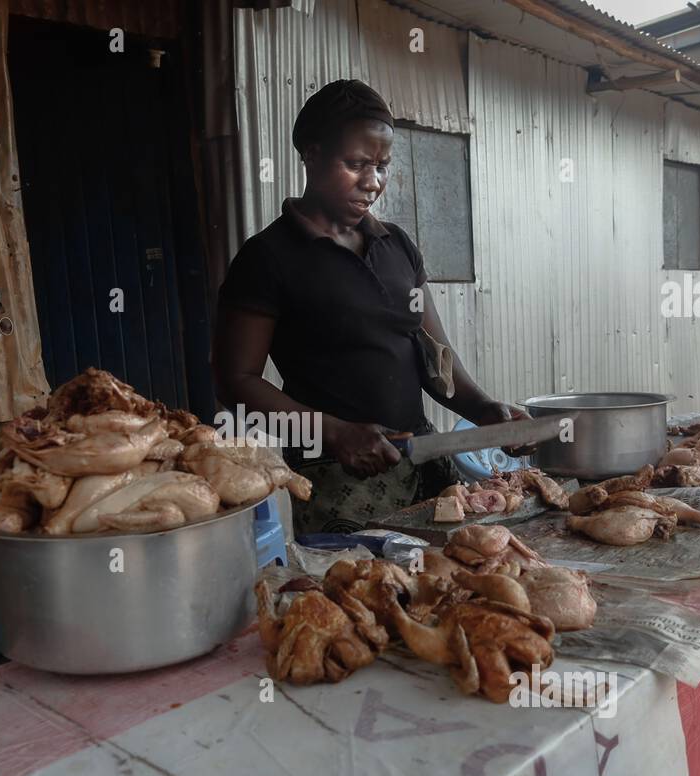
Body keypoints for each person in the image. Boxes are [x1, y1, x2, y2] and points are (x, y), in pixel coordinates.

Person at [214, 79, 533, 534]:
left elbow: (435, 358)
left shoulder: (396, 246)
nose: (374, 182)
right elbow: (234, 382)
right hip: (334, 482)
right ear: (311, 153)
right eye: (357, 164)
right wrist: (335, 432)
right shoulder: (268, 258)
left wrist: (483, 410)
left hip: (424, 470)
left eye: (383, 165)